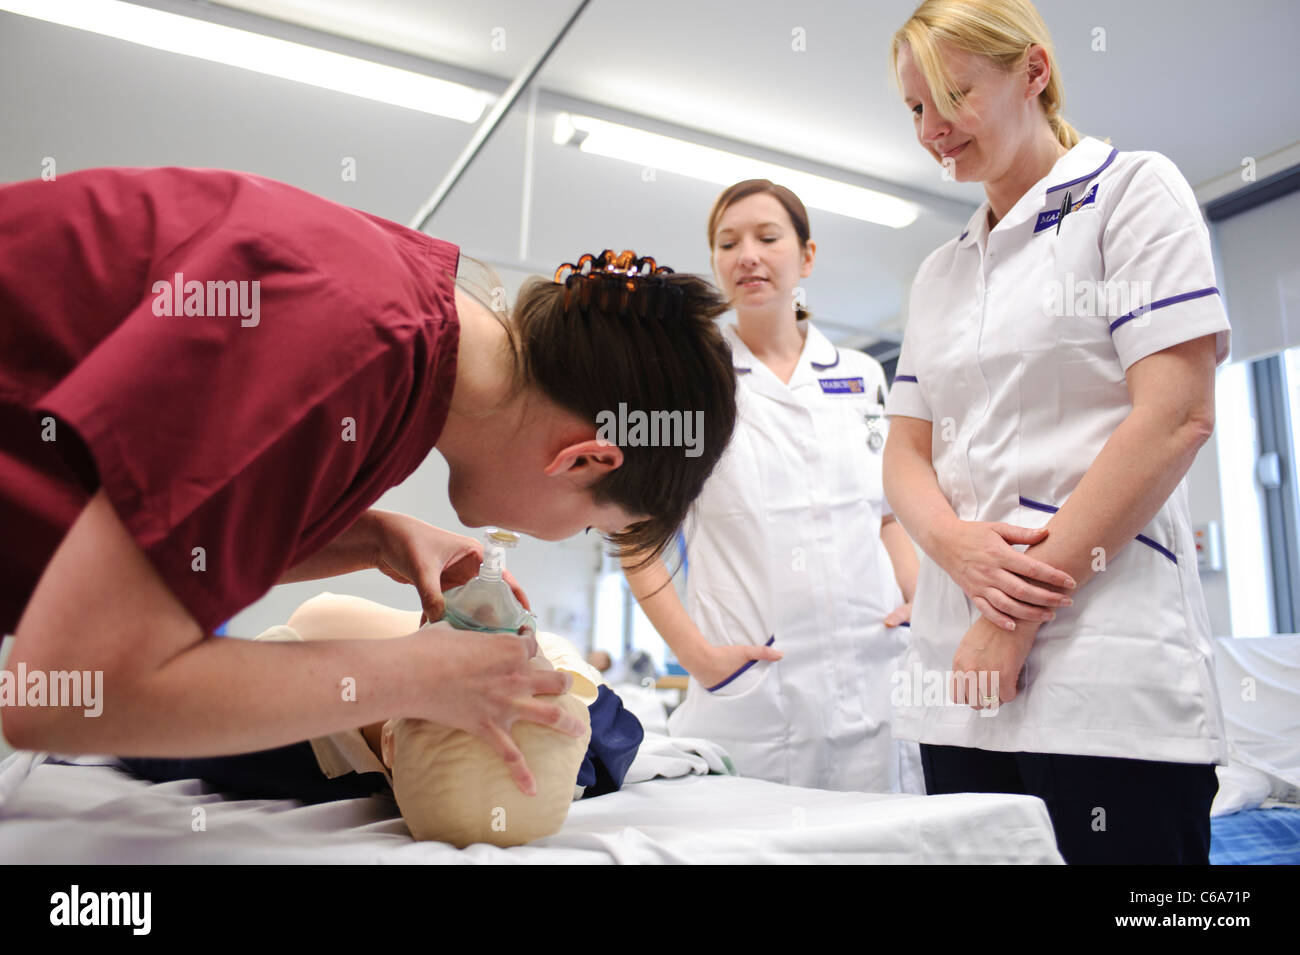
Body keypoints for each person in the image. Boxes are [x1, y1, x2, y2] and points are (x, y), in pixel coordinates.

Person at [0, 166, 736, 797]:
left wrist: (362, 532)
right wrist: (413, 675)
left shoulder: (410, 342)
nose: (568, 534)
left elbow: (156, 520)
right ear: (583, 459)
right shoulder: (357, 345)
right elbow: (66, 691)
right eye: (586, 525)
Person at [883, 0, 1229, 863]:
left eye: (952, 96)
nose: (932, 130)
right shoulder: (939, 271)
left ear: (1033, 71)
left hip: (1106, 682)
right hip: (956, 680)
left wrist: (1014, 613)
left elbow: (1176, 414)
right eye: (915, 109)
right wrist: (954, 544)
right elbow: (904, 452)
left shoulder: (1134, 193)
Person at [623, 179, 923, 793]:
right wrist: (698, 656)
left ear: (806, 256)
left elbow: (888, 514)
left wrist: (923, 600)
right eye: (728, 243)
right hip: (754, 692)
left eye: (767, 237)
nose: (748, 255)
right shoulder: (689, 383)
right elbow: (633, 528)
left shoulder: (862, 377)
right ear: (713, 264)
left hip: (875, 674)